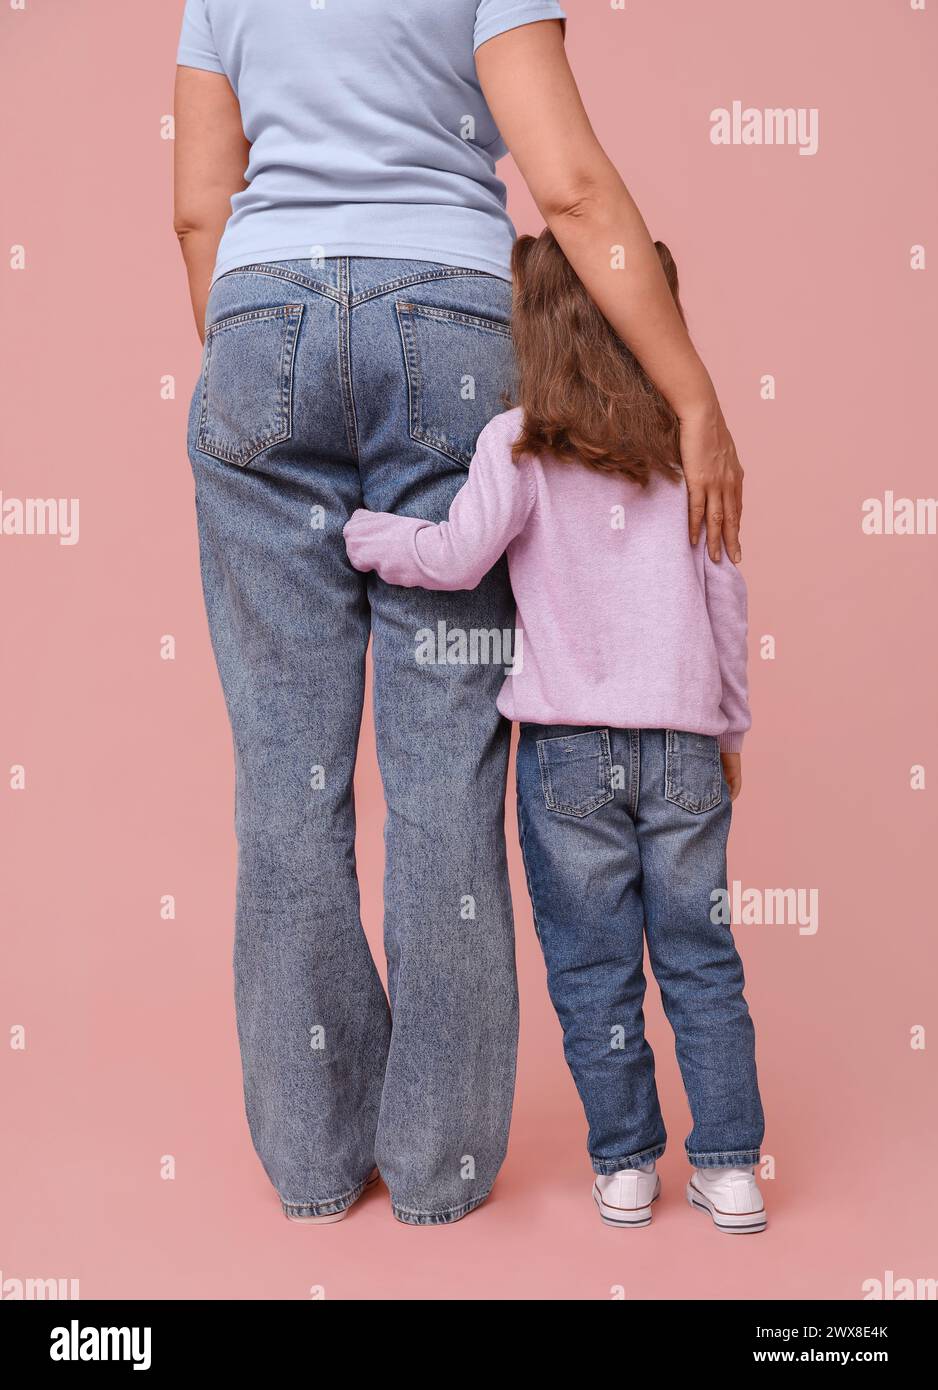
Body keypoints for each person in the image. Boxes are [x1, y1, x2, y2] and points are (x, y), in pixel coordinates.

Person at [174, 0, 746, 1226]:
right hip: (449, 327)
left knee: (284, 774)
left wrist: (250, 368)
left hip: (257, 303)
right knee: (443, 774)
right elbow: (574, 189)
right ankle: (439, 1168)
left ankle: (316, 1162)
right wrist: (690, 393)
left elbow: (194, 207)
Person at [344, 231, 767, 1233]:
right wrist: (730, 729)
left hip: (568, 753)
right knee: (701, 958)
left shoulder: (518, 441)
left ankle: (625, 1166)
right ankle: (732, 1167)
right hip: (683, 747)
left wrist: (367, 533)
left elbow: (451, 557)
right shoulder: (682, 442)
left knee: (593, 968)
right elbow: (724, 595)